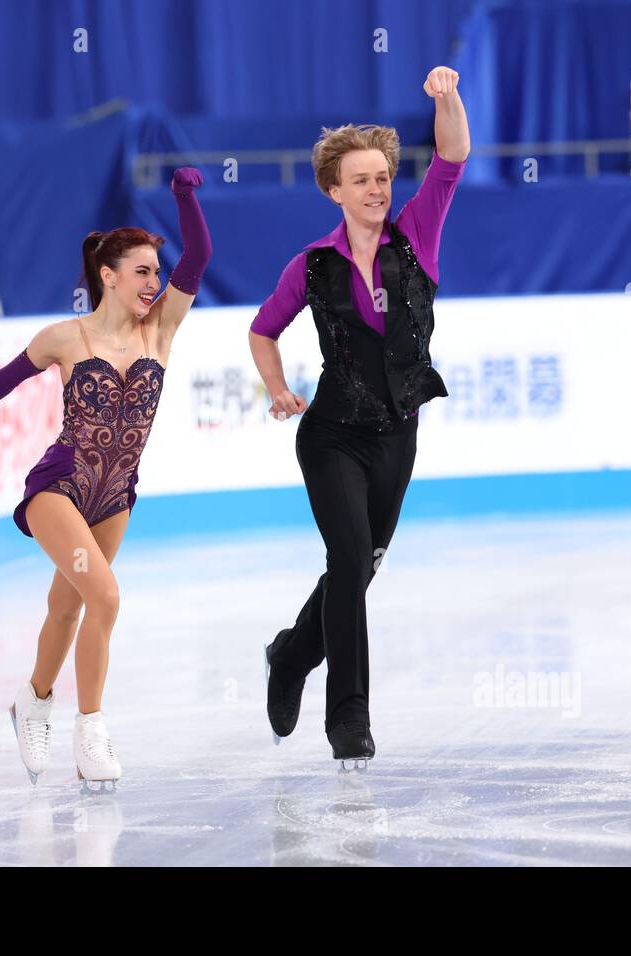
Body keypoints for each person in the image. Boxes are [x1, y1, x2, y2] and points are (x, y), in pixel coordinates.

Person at [0, 169, 211, 790]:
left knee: (68, 607)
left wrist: (184, 198)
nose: (155, 282)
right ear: (109, 275)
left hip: (116, 494)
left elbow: (199, 255)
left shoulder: (163, 331)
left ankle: (33, 701)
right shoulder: (66, 338)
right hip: (61, 486)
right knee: (106, 597)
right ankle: (89, 731)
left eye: (158, 271)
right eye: (143, 271)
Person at [249, 67, 468, 770]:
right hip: (332, 436)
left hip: (397, 435)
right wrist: (280, 388)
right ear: (334, 190)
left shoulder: (418, 236)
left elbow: (453, 157)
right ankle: (349, 718)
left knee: (362, 568)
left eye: (383, 177)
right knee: (346, 560)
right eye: (363, 179)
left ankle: (289, 655)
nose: (378, 188)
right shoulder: (312, 265)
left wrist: (446, 99)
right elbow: (262, 330)